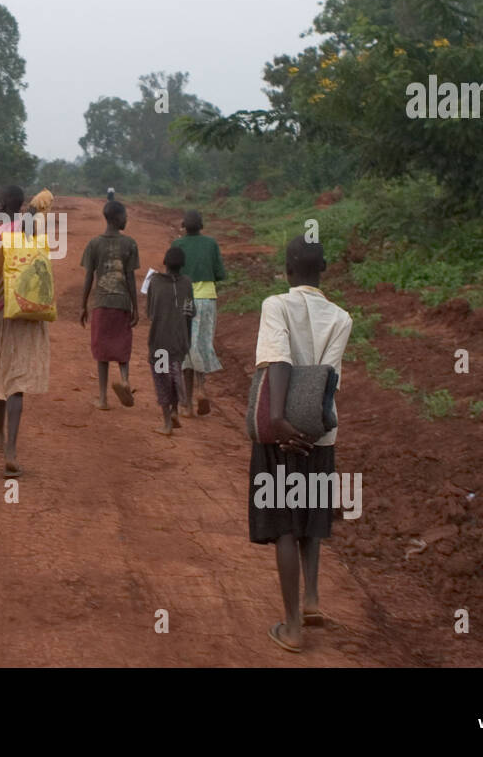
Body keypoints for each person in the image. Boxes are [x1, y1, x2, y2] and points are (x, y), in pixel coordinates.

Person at [251, 235, 352, 654]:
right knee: (312, 517)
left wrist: (277, 420)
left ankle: (292, 627)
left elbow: (279, 359)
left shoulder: (276, 305)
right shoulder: (341, 318)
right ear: (322, 270)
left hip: (282, 429)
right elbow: (327, 377)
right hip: (320, 432)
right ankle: (311, 600)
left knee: (285, 527)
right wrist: (309, 426)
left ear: (288, 269)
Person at [0, 185, 50, 477]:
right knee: (16, 381)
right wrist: (33, 208)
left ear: (1, 204)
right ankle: (11, 450)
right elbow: (45, 202)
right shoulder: (33, 232)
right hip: (28, 314)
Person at [80, 200, 140, 409]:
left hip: (101, 303)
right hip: (122, 302)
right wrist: (135, 306)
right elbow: (131, 278)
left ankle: (103, 398)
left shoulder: (94, 244)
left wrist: (83, 304)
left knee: (101, 351)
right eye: (125, 216)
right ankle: (124, 381)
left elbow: (89, 277)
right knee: (123, 346)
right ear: (116, 218)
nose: (127, 220)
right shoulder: (130, 243)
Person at [173, 209, 227, 416]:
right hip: (207, 299)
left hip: (184, 299)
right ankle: (202, 389)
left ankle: (186, 405)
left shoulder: (178, 245)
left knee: (186, 347)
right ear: (201, 225)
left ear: (183, 226)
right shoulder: (211, 244)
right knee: (202, 344)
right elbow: (220, 273)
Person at [146, 246, 194, 435]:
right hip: (180, 340)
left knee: (162, 380)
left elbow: (150, 313)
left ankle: (167, 423)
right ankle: (175, 410)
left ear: (165, 263)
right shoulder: (187, 283)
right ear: (182, 265)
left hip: (159, 340)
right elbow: (190, 313)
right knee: (174, 375)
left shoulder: (154, 282)